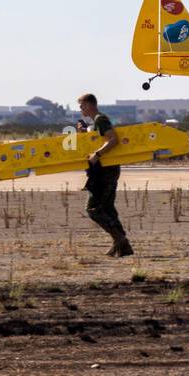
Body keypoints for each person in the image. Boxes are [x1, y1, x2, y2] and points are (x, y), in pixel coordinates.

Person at [76, 93, 133, 257]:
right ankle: (122, 245)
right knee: (107, 207)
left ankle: (120, 240)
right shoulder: (96, 123)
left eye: (82, 106)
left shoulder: (100, 119)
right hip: (105, 170)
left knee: (93, 208)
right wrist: (83, 133)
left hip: (106, 170)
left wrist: (97, 154)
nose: (80, 109)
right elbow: (97, 137)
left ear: (89, 105)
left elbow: (113, 139)